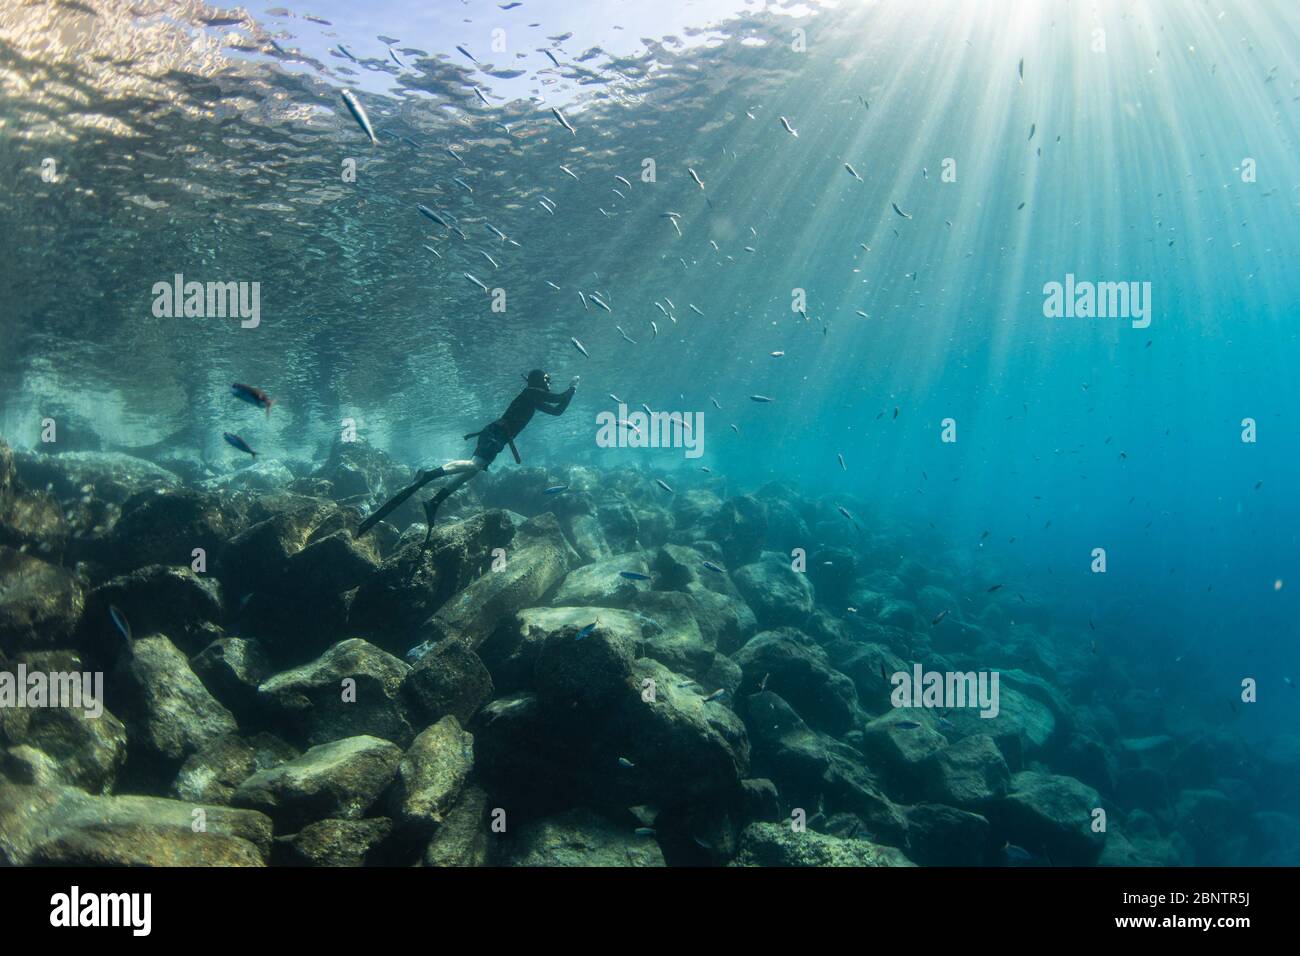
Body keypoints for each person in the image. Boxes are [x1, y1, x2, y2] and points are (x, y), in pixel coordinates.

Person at [355, 369, 578, 538]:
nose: (549, 383)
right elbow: (559, 399)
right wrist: (572, 386)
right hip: (495, 434)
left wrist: (572, 391)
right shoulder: (530, 392)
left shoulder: (534, 399)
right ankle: (428, 476)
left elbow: (558, 411)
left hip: (498, 436)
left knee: (473, 470)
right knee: (473, 466)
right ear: (537, 380)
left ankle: (435, 500)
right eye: (547, 380)